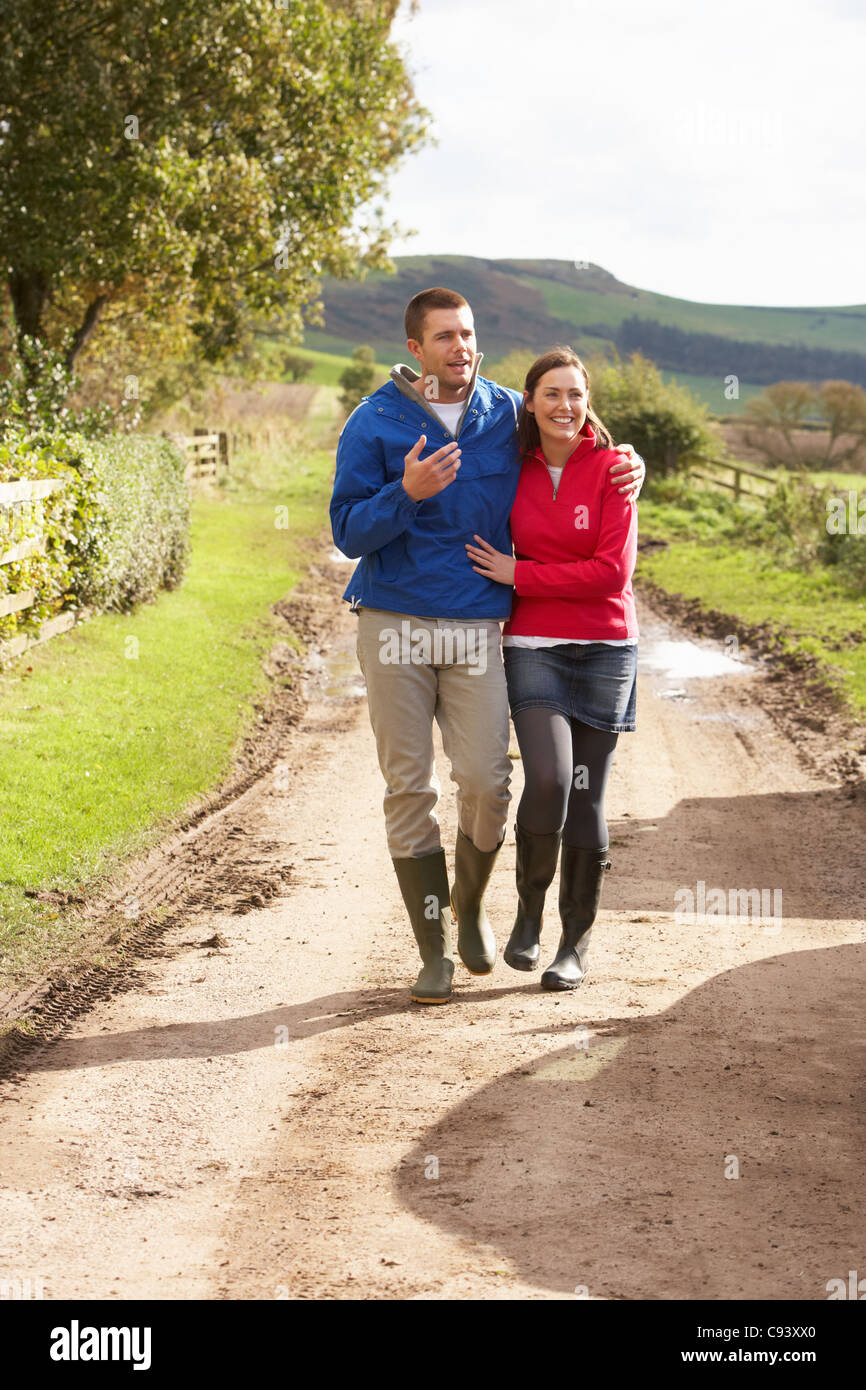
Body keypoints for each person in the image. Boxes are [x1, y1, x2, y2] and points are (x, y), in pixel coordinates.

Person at [330, 290, 644, 1005]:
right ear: (416, 348)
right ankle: (435, 948)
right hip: (393, 620)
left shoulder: (505, 413)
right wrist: (403, 492)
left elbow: (572, 436)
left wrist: (630, 462)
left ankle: (469, 906)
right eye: (444, 336)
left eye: (468, 334)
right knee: (410, 786)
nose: (460, 347)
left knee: (487, 782)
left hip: (476, 624)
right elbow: (347, 531)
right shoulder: (373, 422)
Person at [466, 346, 637, 991]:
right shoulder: (513, 467)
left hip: (606, 648)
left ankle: (574, 944)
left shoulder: (616, 468)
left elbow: (611, 574)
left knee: (589, 795)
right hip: (534, 645)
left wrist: (523, 576)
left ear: (587, 402)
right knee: (548, 778)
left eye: (576, 395)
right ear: (529, 404)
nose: (565, 406)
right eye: (552, 395)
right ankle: (529, 917)